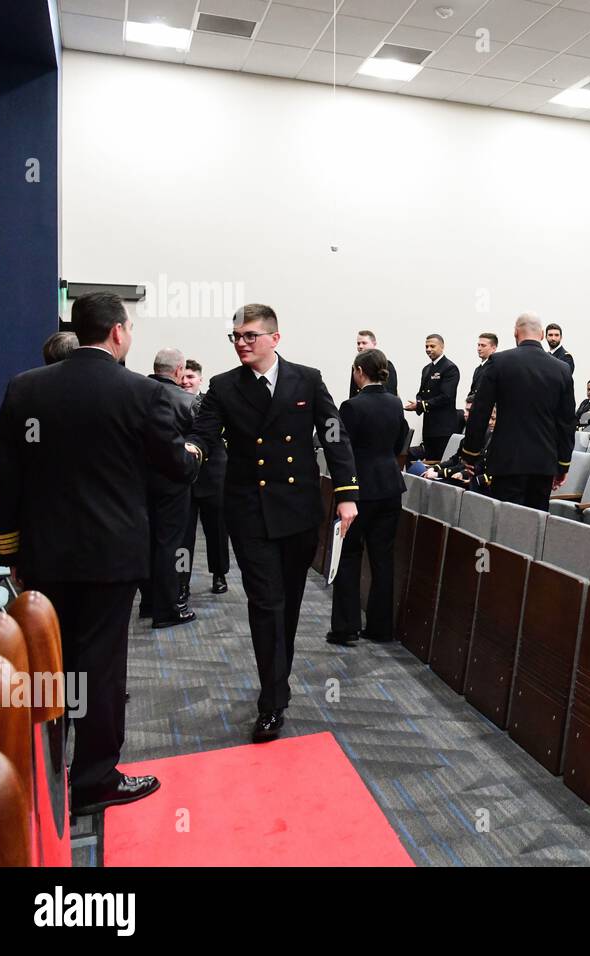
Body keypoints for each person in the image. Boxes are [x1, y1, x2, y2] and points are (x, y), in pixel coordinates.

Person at [0, 291, 202, 813]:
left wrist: (11, 545)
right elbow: (173, 466)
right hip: (111, 554)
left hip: (45, 552)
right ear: (117, 332)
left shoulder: (26, 388)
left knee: (49, 659)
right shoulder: (140, 393)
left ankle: (45, 760)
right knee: (102, 665)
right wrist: (194, 452)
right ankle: (93, 778)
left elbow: (6, 474)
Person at [190, 304, 359, 743]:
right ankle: (272, 700)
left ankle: (276, 680)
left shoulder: (307, 378)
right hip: (249, 510)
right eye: (236, 337)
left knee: (289, 602)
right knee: (265, 602)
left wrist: (346, 493)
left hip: (299, 511)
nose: (241, 343)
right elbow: (204, 432)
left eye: (249, 336)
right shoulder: (225, 386)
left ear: (274, 339)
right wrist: (189, 451)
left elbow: (334, 434)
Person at [328, 348, 409, 646]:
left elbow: (340, 449)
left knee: (349, 556)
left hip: (359, 489)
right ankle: (380, 628)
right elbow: (401, 440)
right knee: (382, 559)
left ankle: (346, 628)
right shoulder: (396, 403)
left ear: (359, 372)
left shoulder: (351, 406)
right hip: (389, 487)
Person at [460, 312, 575, 511]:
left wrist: (470, 454)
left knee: (506, 525)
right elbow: (566, 422)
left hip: (507, 460)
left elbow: (480, 412)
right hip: (544, 463)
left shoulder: (499, 362)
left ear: (515, 333)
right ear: (541, 335)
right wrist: (563, 464)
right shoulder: (562, 369)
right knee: (536, 527)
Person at [140, 347, 201, 628]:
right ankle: (166, 609)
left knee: (147, 540)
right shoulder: (188, 402)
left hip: (138, 481)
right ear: (178, 371)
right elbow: (199, 442)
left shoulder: (135, 394)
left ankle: (148, 601)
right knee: (170, 545)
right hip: (174, 482)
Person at [180, 359, 230, 597]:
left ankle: (219, 574)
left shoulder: (212, 402)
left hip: (213, 474)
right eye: (183, 377)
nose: (186, 381)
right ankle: (182, 581)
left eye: (191, 377)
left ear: (200, 378)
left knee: (217, 530)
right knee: (183, 535)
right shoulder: (171, 401)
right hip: (184, 478)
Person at [405, 333, 460, 461]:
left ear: (442, 347)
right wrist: (418, 401)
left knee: (440, 462)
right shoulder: (426, 369)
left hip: (443, 428)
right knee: (428, 461)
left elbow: (446, 397)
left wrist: (420, 405)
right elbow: (422, 393)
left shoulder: (450, 368)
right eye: (426, 346)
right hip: (429, 426)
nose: (428, 349)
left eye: (432, 346)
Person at [348, 330, 398, 398]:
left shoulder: (386, 365)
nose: (360, 346)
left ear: (374, 344)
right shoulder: (356, 366)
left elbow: (391, 391)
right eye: (358, 343)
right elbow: (353, 393)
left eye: (364, 343)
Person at [468, 331, 498, 404]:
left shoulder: (496, 367)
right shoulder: (478, 369)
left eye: (483, 345)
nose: (479, 348)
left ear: (493, 348)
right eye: (478, 345)